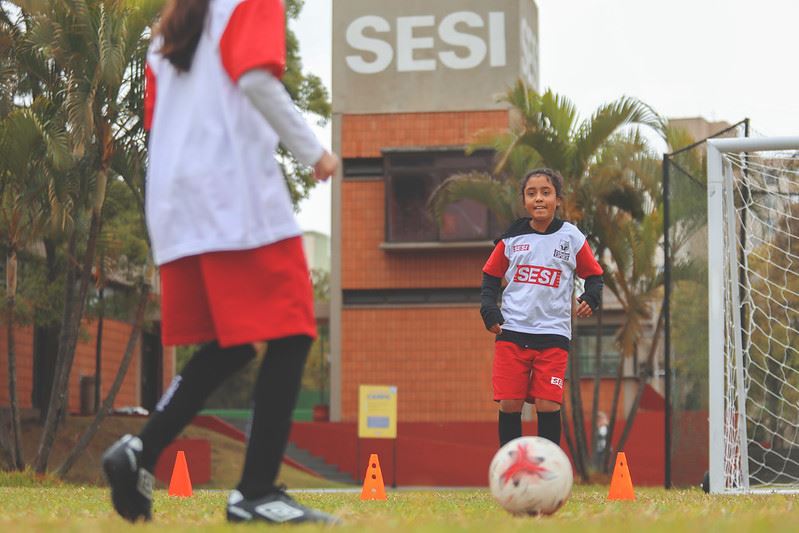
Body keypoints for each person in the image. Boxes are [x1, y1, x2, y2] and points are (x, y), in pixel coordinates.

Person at [101, 0, 339, 524]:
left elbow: (157, 121)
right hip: (232, 196)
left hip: (177, 203)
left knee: (231, 346)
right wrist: (314, 152)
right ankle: (256, 492)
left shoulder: (169, 27)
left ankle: (140, 452)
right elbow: (255, 81)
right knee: (294, 330)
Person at [480, 168, 603, 448]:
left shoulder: (571, 237)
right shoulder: (511, 238)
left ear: (557, 200)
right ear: (524, 200)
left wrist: (591, 297)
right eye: (531, 193)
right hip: (512, 331)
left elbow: (594, 275)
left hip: (553, 335)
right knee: (510, 402)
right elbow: (490, 276)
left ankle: (548, 470)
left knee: (547, 404)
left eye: (545, 193)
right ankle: (511, 468)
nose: (538, 199)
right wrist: (489, 308)